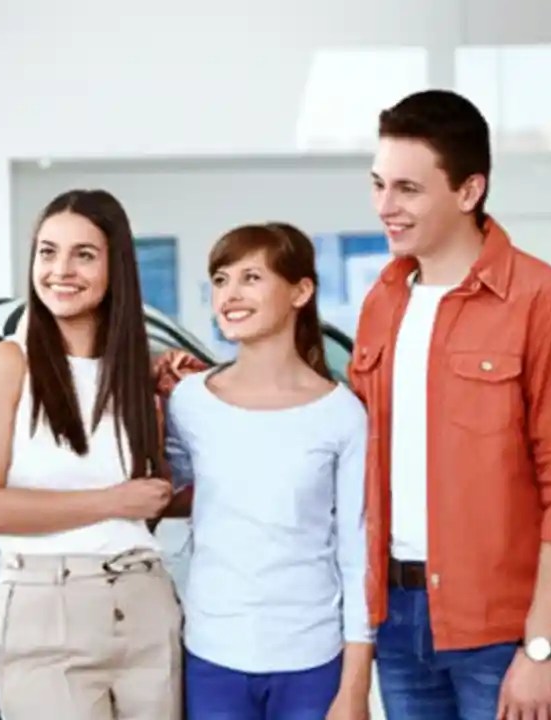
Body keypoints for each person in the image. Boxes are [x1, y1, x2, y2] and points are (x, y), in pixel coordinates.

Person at [353, 89, 551, 720]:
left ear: (468, 191)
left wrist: (542, 646)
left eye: (408, 189)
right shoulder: (382, 304)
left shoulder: (547, 303)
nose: (386, 207)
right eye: (379, 184)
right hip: (399, 619)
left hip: (504, 628)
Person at [0, 189, 182, 720]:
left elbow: (155, 500)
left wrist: (175, 406)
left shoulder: (135, 374)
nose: (61, 270)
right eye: (47, 251)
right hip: (45, 604)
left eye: (84, 254)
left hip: (145, 598)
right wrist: (112, 501)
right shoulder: (7, 363)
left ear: (115, 267)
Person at [157, 223, 373, 720]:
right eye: (220, 279)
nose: (230, 294)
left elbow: (357, 553)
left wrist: (356, 685)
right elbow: (172, 491)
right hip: (212, 653)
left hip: (312, 658)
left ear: (301, 291)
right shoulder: (190, 402)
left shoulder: (341, 413)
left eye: (251, 277)